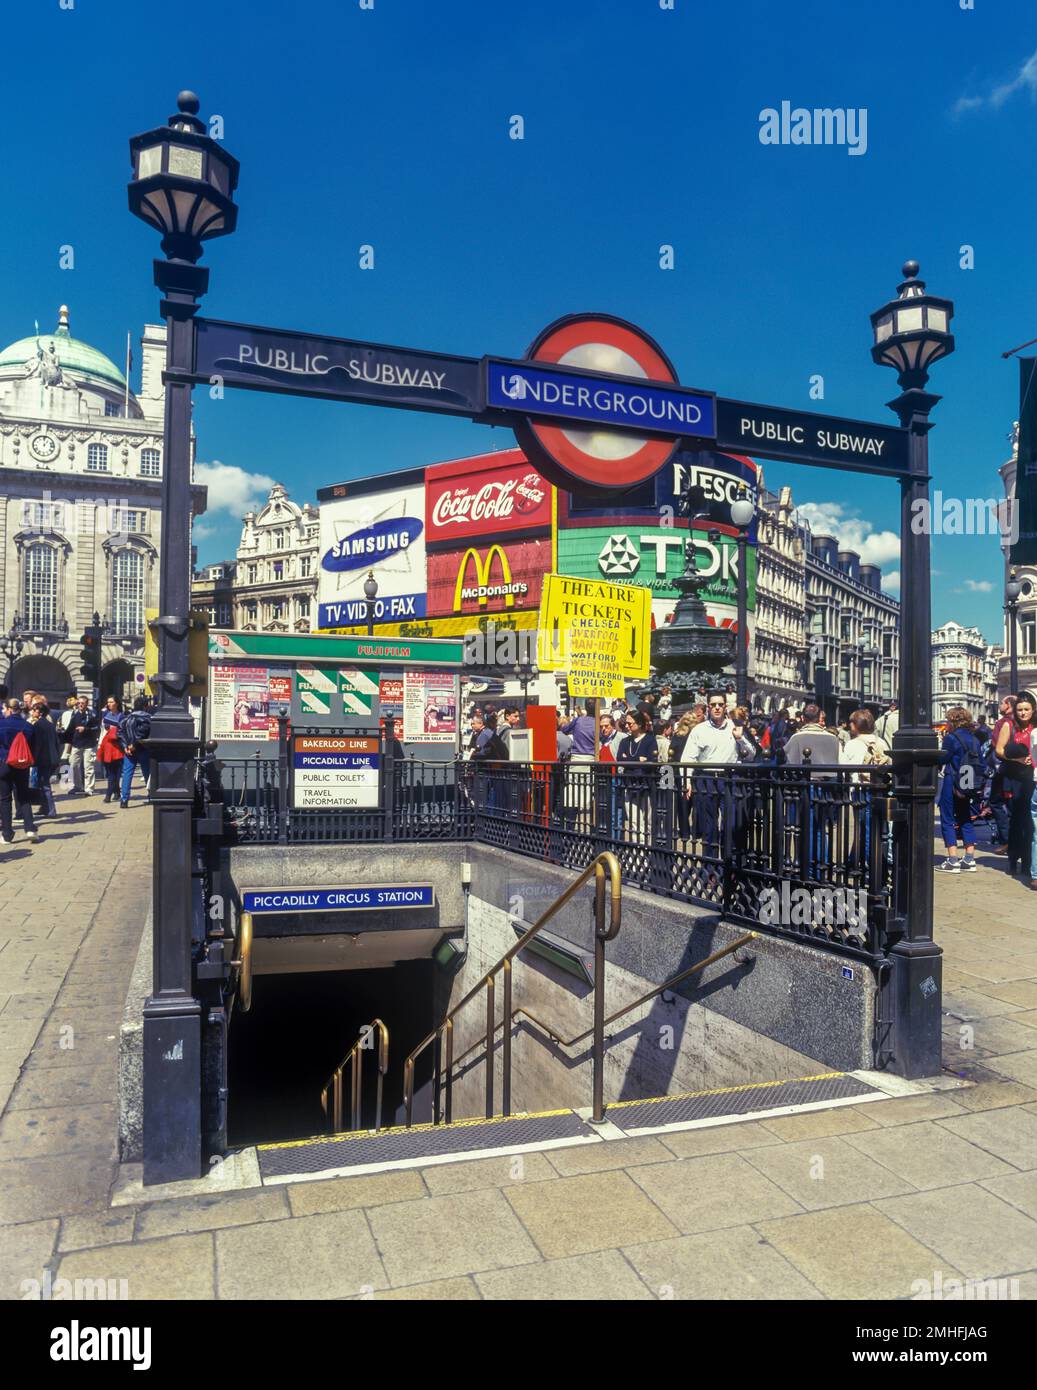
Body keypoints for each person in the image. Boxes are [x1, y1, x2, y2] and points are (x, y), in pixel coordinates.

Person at [937, 706, 984, 873]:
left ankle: (952, 859)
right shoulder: (975, 739)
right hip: (969, 783)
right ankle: (970, 858)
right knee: (965, 818)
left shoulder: (951, 738)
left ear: (952, 721)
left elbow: (943, 758)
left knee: (948, 818)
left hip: (952, 780)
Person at [0, 697, 39, 844]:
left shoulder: (1, 724)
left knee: (5, 799)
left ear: (9, 709)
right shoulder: (28, 726)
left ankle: (7, 834)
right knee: (23, 796)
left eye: (4, 709)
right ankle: (30, 828)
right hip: (22, 765)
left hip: (3, 764)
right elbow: (34, 747)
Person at [616, 709, 658, 841]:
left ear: (639, 723)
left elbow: (651, 761)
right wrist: (638, 760)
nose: (627, 726)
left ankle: (647, 849)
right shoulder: (625, 741)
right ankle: (637, 852)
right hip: (629, 784)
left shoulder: (650, 740)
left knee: (647, 820)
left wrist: (628, 760)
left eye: (630, 723)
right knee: (634, 821)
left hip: (646, 785)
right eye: (626, 723)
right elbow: (619, 759)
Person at [997, 740, 1035, 879]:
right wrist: (1018, 758)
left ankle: (1026, 862)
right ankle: (1014, 859)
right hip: (1016, 781)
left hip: (1029, 780)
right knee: (1017, 824)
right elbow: (1003, 751)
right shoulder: (1011, 728)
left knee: (1028, 826)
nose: (1023, 715)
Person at [28, 698, 62, 819]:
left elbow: (37, 744)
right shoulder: (50, 725)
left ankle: (51, 810)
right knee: (43, 784)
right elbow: (56, 743)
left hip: (42, 759)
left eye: (34, 710)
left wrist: (33, 759)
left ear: (40, 712)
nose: (32, 712)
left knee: (45, 785)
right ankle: (44, 808)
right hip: (51, 758)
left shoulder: (37, 725)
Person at [119, 695, 153, 807]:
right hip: (143, 749)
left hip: (129, 751)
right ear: (145, 706)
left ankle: (124, 799)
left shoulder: (127, 718)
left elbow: (120, 733)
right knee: (147, 773)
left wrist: (125, 746)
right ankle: (151, 795)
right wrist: (134, 744)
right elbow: (142, 733)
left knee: (127, 774)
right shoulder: (147, 718)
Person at [63, 694, 99, 796]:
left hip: (89, 744)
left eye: (82, 703)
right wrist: (63, 734)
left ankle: (89, 789)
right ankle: (77, 786)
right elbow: (70, 728)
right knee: (73, 765)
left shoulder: (92, 714)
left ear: (87, 704)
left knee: (88, 767)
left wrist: (85, 729)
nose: (80, 705)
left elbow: (97, 728)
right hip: (76, 744)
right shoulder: (74, 714)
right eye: (79, 703)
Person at [96, 696, 125, 803]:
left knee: (115, 772)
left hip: (117, 746)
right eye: (108, 702)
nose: (109, 704)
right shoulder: (105, 715)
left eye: (111, 702)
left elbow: (121, 731)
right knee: (110, 772)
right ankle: (116, 792)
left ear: (117, 703)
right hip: (107, 745)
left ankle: (109, 794)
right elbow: (103, 729)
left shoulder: (122, 716)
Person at [994, 692, 1036, 765]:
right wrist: (1018, 760)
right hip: (1015, 772)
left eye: (1026, 709)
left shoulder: (1035, 725)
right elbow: (998, 750)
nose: (1023, 713)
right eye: (1019, 710)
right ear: (1015, 711)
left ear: (1033, 710)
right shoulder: (1008, 725)